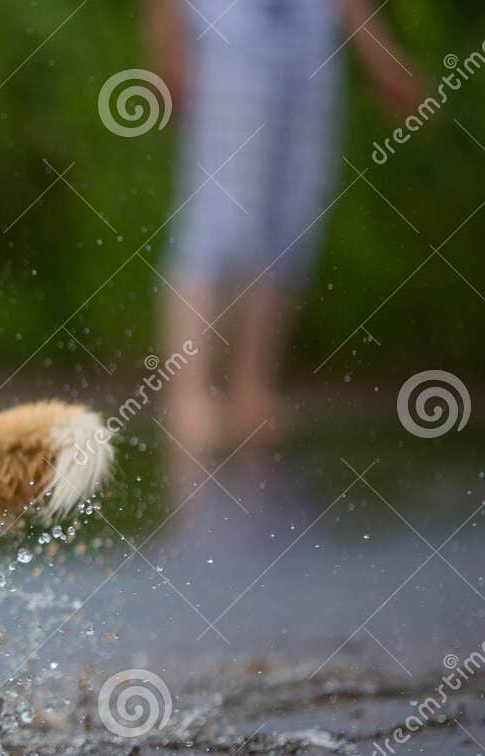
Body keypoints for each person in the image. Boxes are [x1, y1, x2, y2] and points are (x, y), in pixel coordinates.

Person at [143, 0, 422, 498]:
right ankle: (188, 397)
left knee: (294, 214)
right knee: (219, 210)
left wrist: (379, 54)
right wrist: (170, 45)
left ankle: (252, 391)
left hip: (310, 25)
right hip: (230, 22)